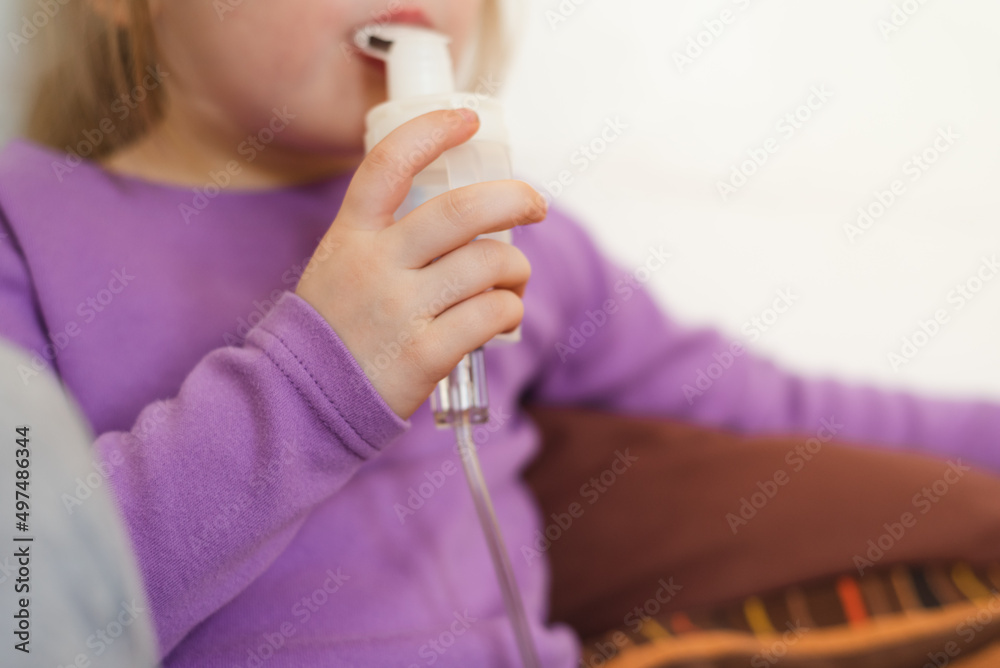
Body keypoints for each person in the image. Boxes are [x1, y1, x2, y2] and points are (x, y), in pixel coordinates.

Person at [0, 1, 997, 665]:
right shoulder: (25, 223)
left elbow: (778, 413)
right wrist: (317, 382)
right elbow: (28, 604)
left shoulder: (507, 230)